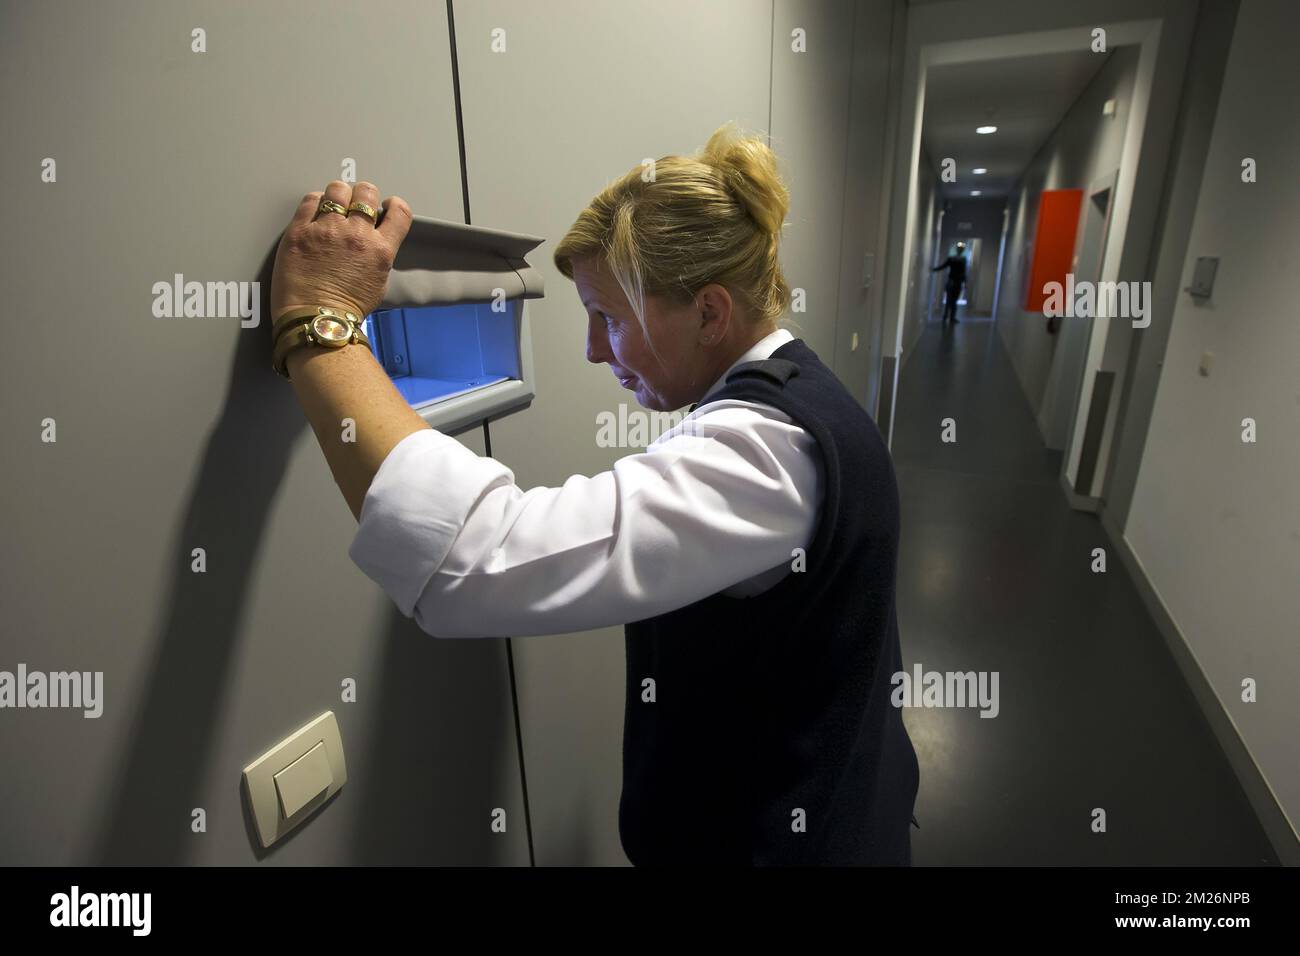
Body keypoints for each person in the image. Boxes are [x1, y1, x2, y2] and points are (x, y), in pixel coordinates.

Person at [268, 122, 920, 866]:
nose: (591, 349)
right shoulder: (798, 390)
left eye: (609, 318)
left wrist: (321, 326)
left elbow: (470, 559)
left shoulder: (765, 455)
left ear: (710, 312)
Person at [932, 242, 968, 324]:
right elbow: (943, 266)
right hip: (952, 282)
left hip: (956, 282)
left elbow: (963, 273)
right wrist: (934, 269)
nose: (960, 250)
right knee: (950, 300)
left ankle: (950, 317)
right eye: (960, 248)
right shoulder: (954, 259)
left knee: (953, 301)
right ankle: (947, 317)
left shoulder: (961, 259)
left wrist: (965, 283)